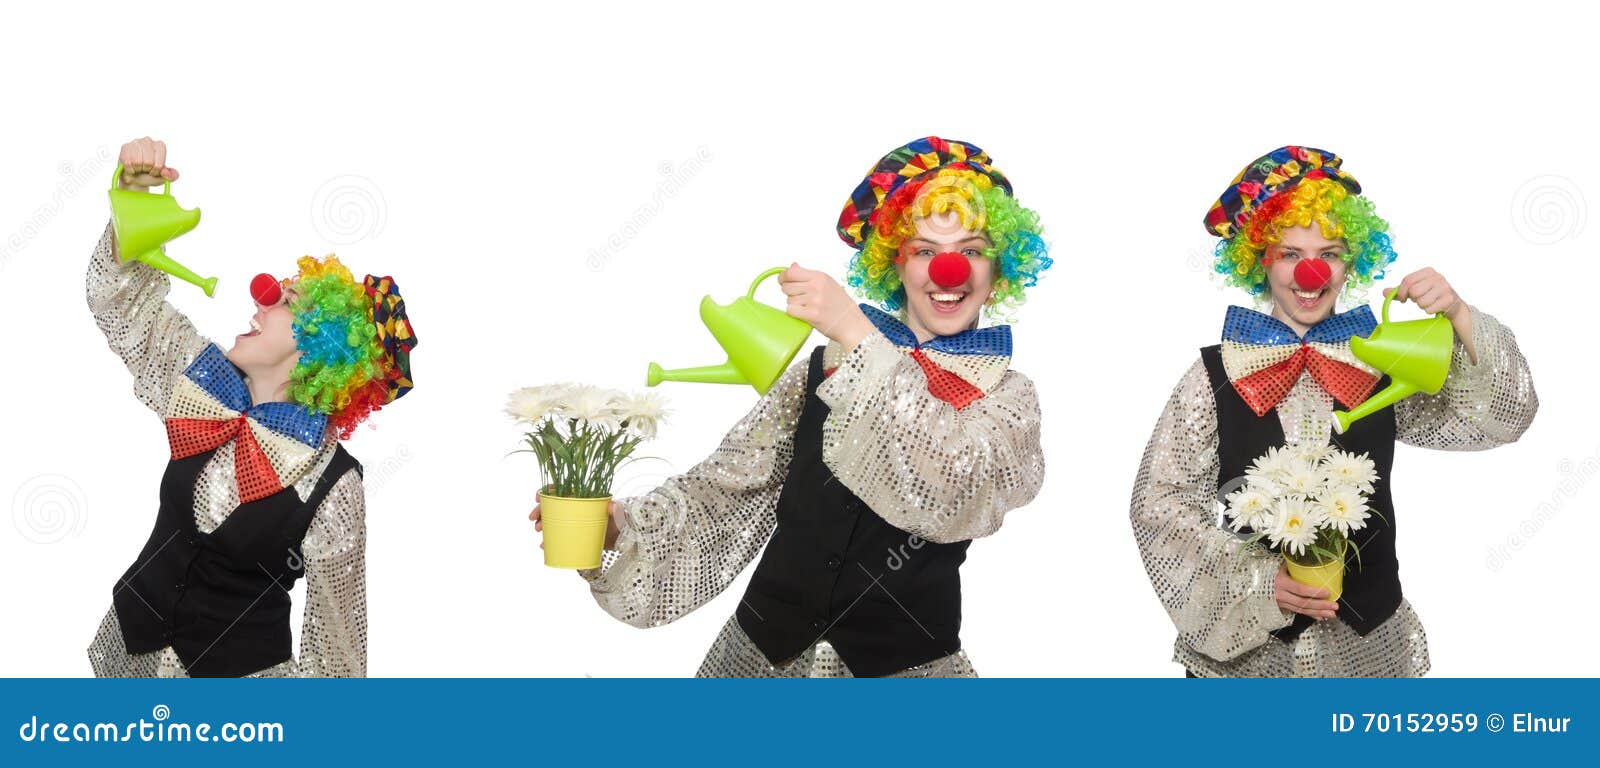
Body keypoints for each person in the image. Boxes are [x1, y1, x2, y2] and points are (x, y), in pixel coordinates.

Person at [533, 136, 1051, 676]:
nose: (948, 271)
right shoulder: (822, 368)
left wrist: (855, 331)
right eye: (924, 251)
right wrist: (625, 527)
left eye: (971, 250)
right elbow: (728, 488)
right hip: (758, 662)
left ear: (999, 273)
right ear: (894, 264)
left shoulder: (1007, 398)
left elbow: (954, 489)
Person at [1130, 146, 1537, 677]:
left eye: (1330, 252)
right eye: (1290, 254)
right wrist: (1257, 583)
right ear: (1260, 260)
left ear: (1350, 264)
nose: (1312, 270)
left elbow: (1500, 418)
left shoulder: (1382, 361)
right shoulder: (1214, 375)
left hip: (1368, 652)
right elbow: (1157, 504)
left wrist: (1459, 315)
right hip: (1246, 671)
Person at [85, 136, 417, 677]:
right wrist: (138, 204)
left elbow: (336, 646)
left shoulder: (332, 484)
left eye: (287, 303)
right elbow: (120, 302)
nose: (263, 297)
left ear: (322, 347)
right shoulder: (203, 381)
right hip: (128, 663)